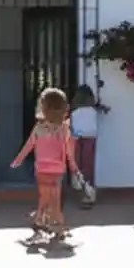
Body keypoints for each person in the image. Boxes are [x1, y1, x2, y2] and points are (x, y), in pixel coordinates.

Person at [11, 88, 79, 243]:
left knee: (44, 197)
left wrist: (18, 161)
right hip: (57, 170)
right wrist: (73, 167)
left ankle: (39, 223)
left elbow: (28, 146)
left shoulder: (38, 128)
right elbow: (69, 151)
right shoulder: (64, 129)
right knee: (55, 199)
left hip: (41, 169)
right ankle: (57, 226)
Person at [70, 85, 100, 209]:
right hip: (91, 139)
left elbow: (72, 128)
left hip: (77, 139)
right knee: (88, 167)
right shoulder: (93, 111)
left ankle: (81, 193)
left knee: (78, 167)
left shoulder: (74, 112)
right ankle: (89, 195)